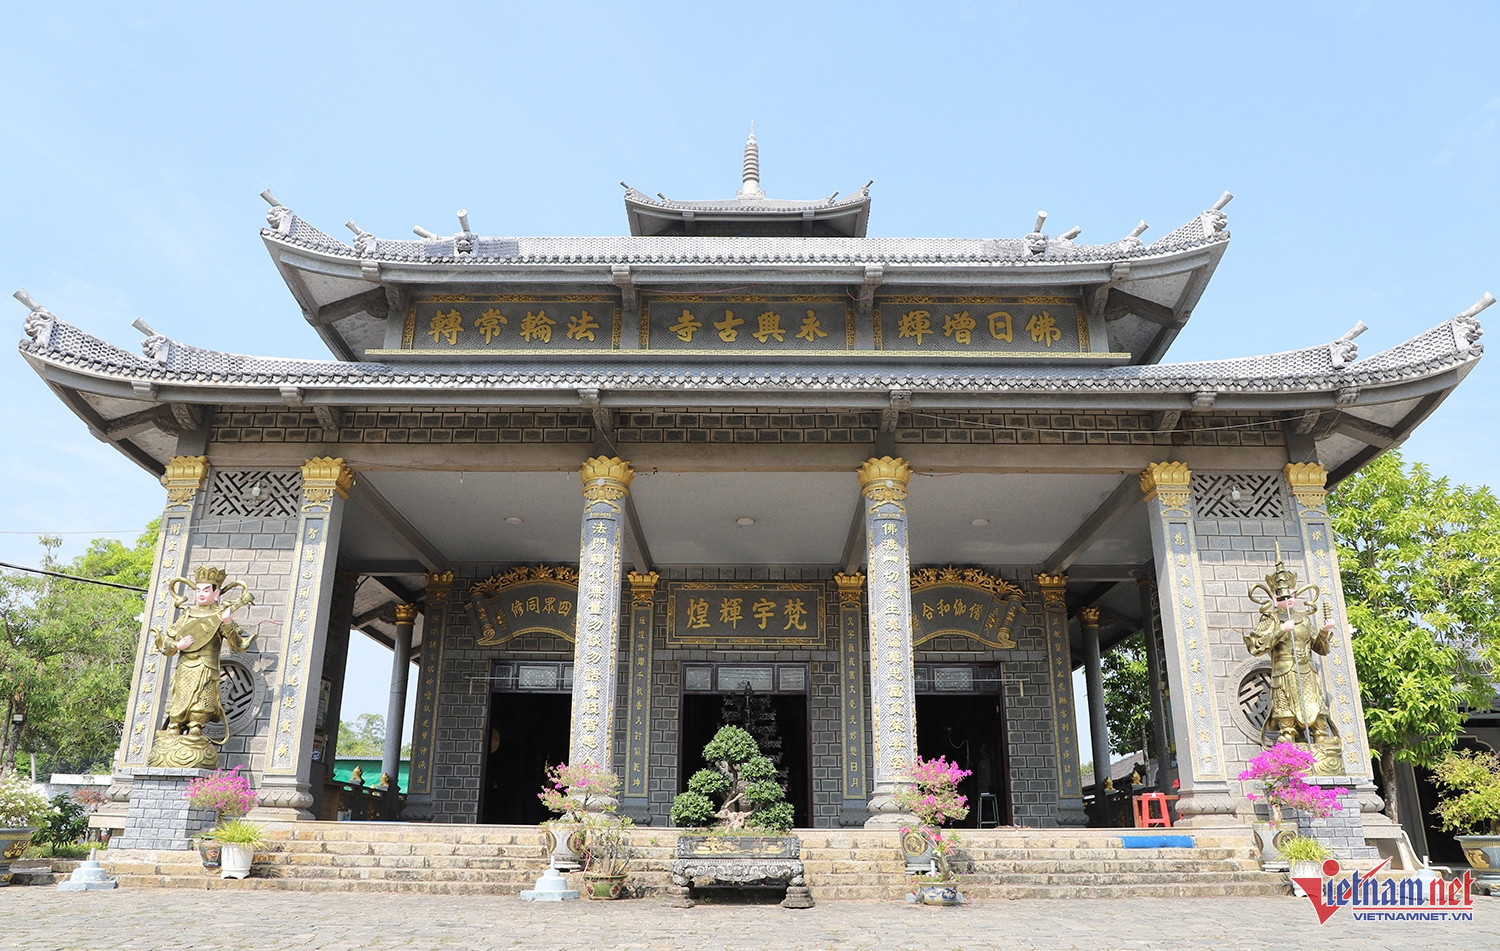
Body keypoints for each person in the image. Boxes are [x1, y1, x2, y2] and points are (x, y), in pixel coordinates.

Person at [1243, 558, 1344, 774]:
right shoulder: (1271, 619)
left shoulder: (1304, 619)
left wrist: (1324, 631)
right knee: (1286, 713)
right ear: (1274, 598)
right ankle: (1288, 740)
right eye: (1282, 597)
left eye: (1290, 596)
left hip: (1306, 672)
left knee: (1317, 711)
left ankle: (1321, 741)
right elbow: (1256, 646)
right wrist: (1281, 630)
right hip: (1284, 671)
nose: (1287, 600)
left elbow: (1320, 648)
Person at [154, 565, 255, 740]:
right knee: (179, 699)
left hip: (206, 667)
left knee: (201, 702)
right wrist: (177, 645)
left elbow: (237, 645)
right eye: (198, 590)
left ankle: (196, 727)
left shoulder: (221, 615)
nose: (201, 594)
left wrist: (228, 623)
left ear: (216, 593)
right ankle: (174, 726)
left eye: (206, 590)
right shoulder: (187, 614)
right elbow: (167, 641)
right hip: (185, 666)